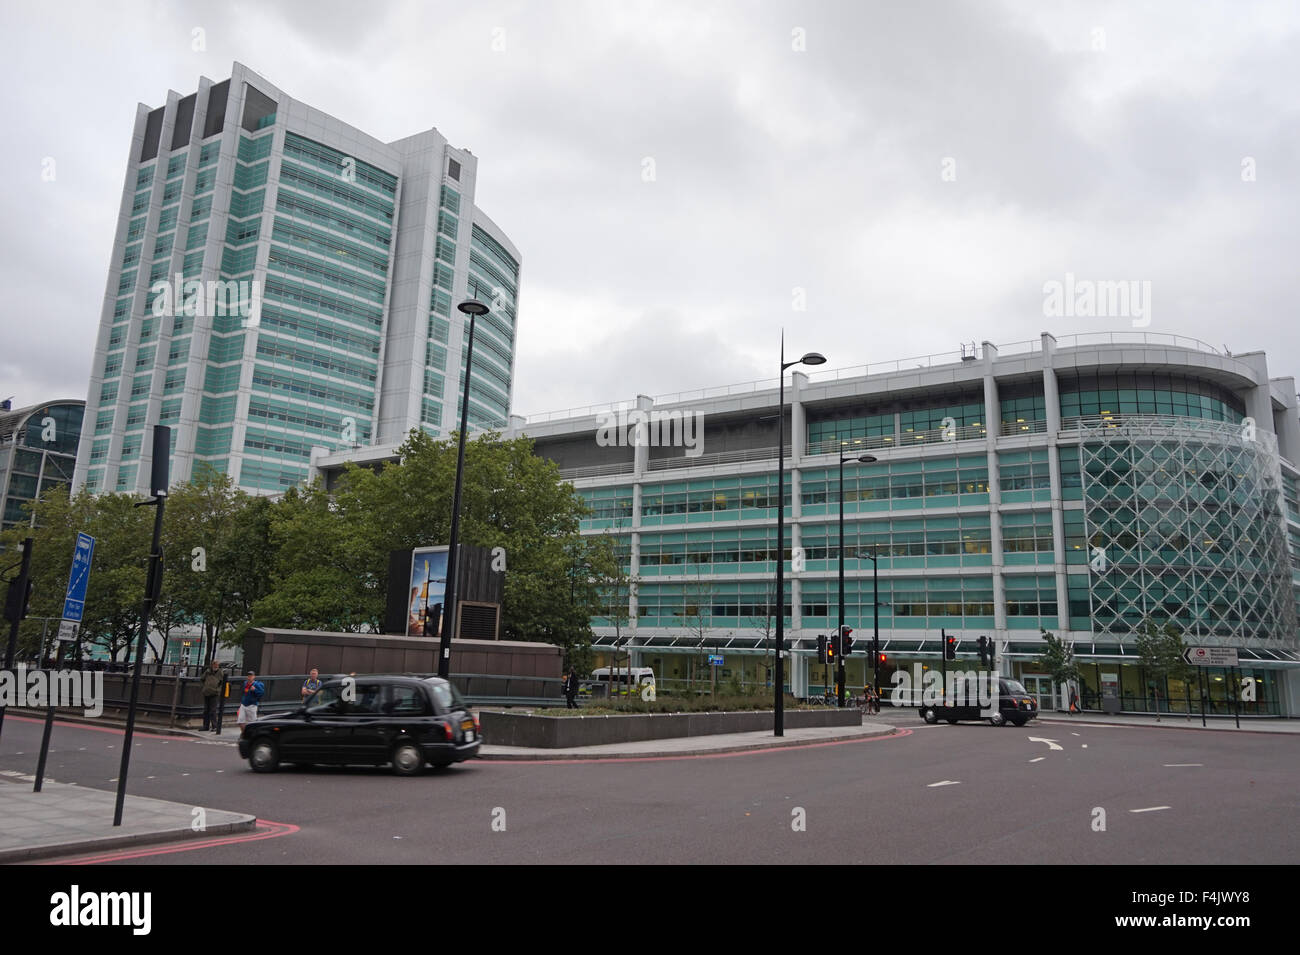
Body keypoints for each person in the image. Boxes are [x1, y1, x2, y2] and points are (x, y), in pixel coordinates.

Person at [200, 659, 224, 732]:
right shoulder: (208, 671)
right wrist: (204, 687)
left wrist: (218, 690)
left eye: (216, 664)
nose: (215, 666)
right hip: (207, 692)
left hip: (214, 693)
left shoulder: (220, 673)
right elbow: (202, 679)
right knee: (206, 710)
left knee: (212, 710)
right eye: (214, 664)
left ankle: (214, 726)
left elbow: (222, 682)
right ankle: (205, 726)